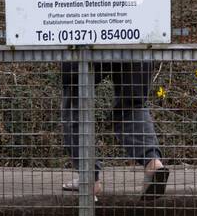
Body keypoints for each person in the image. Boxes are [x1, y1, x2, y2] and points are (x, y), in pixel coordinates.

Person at [59, 61, 169, 199]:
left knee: (76, 101)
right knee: (132, 105)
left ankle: (89, 179)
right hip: (136, 43)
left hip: (88, 43)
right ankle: (152, 163)